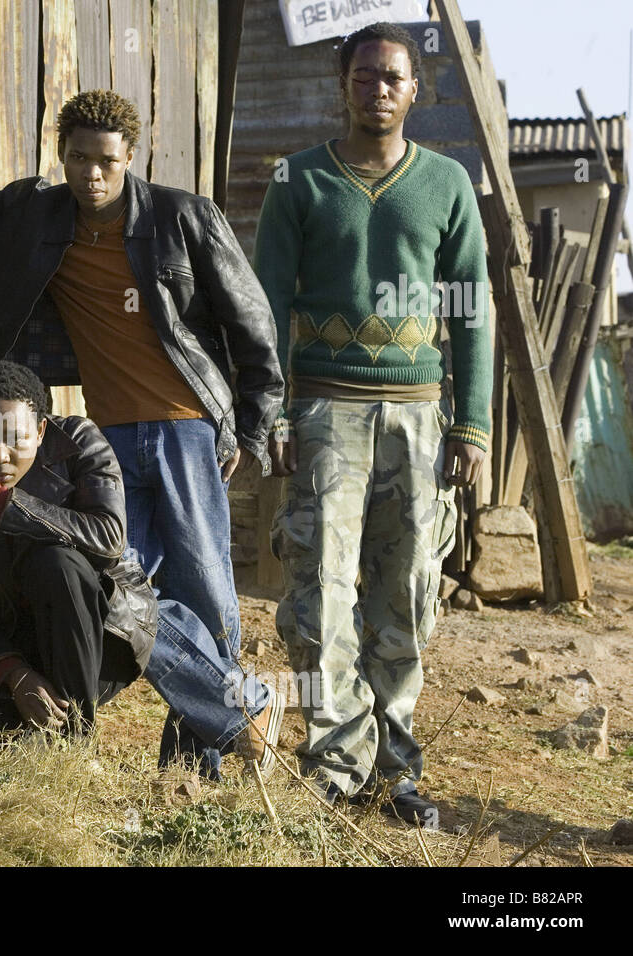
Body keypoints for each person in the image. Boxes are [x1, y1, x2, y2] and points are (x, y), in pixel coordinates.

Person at [0, 38, 285, 774]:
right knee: (124, 597)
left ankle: (204, 757)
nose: (92, 172)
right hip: (111, 431)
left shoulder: (182, 217)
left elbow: (251, 319)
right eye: (79, 158)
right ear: (62, 155)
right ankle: (239, 709)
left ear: (130, 155)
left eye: (106, 158)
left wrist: (251, 422)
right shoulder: (33, 217)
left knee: (204, 591)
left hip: (182, 428)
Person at [253, 22, 490, 828]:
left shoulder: (448, 185)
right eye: (363, 75)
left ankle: (396, 768)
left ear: (414, 89)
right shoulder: (299, 182)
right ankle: (334, 762)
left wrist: (474, 427)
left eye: (392, 77)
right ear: (342, 84)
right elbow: (266, 308)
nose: (377, 88)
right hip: (325, 413)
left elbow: (475, 316)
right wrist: (274, 410)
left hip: (421, 419)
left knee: (408, 596)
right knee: (318, 591)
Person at [0, 360, 156, 737]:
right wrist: (14, 674)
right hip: (11, 642)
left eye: (15, 437)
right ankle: (35, 721)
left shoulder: (79, 443)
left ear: (41, 430)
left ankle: (76, 737)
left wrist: (0, 502)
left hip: (97, 636)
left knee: (57, 563)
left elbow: (108, 540)